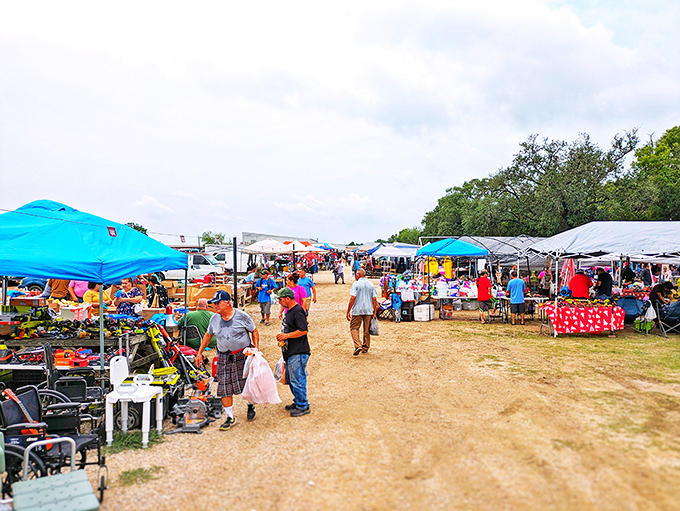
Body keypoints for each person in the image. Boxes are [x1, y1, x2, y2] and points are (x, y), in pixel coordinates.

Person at [195, 290, 259, 430]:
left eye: (218, 303)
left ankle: (250, 405)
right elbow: (207, 335)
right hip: (224, 356)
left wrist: (255, 349)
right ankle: (230, 418)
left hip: (242, 354)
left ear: (227, 302)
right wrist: (199, 353)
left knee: (245, 384)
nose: (215, 305)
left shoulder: (242, 316)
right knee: (224, 388)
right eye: (214, 303)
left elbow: (254, 331)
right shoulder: (214, 319)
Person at [275, 288, 311, 417]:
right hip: (291, 351)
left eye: (280, 299)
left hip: (299, 351)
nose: (279, 302)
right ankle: (298, 401)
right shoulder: (289, 311)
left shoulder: (297, 311)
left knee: (298, 379)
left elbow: (303, 330)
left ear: (288, 298)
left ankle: (303, 405)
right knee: (292, 379)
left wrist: (286, 336)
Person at [346, 269, 378, 356]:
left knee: (354, 327)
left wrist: (348, 311)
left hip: (357, 310)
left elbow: (352, 298)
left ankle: (358, 345)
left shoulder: (356, 284)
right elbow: (374, 299)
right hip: (368, 310)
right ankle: (365, 347)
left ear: (358, 275)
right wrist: (374, 311)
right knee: (366, 329)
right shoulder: (371, 284)